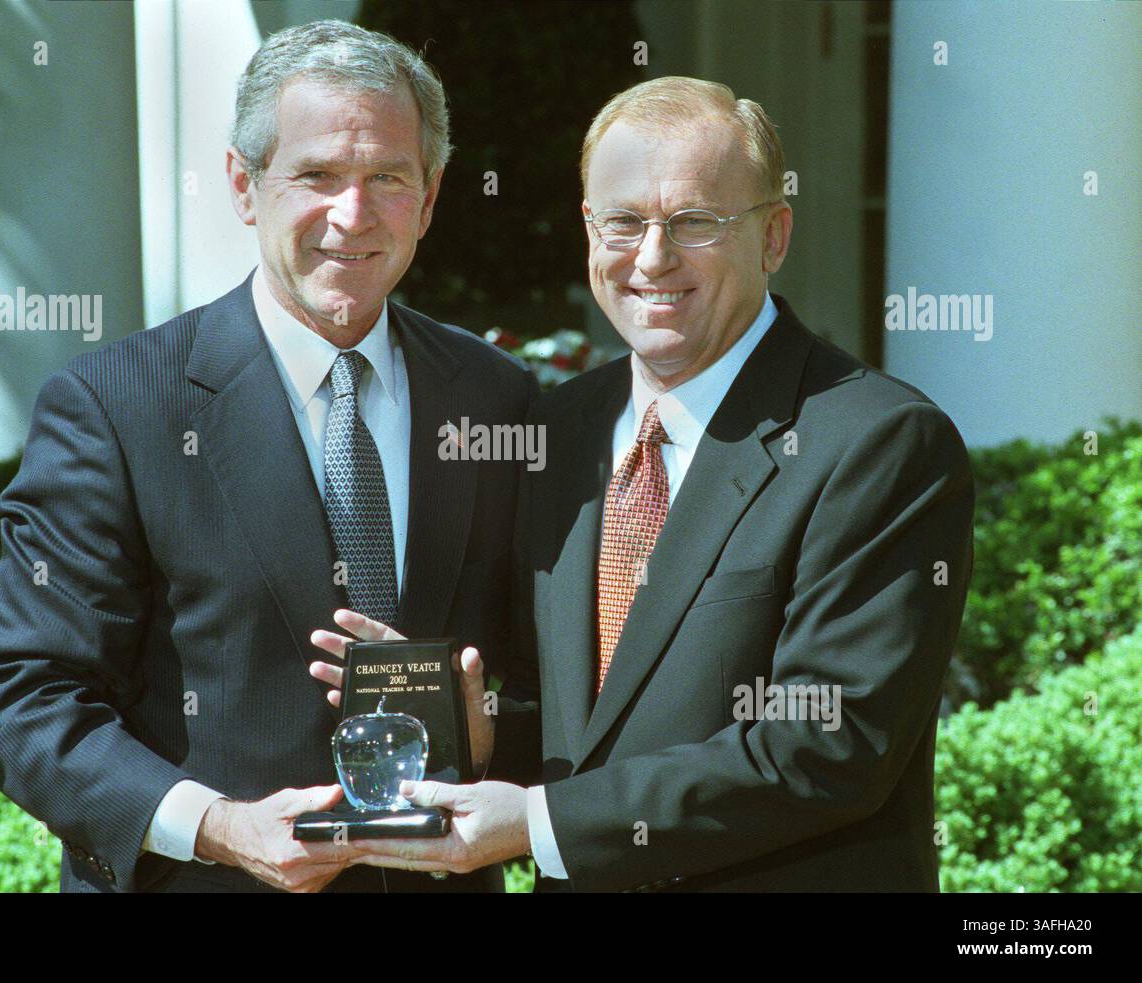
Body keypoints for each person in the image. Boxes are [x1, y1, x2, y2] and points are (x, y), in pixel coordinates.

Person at [310, 77, 975, 892]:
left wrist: (540, 823)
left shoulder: (878, 442)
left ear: (774, 236)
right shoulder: (558, 434)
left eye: (694, 222)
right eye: (623, 222)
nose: (652, 258)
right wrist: (467, 725)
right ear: (590, 230)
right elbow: (583, 729)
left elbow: (829, 747)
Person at [0, 20, 535, 893]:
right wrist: (221, 826)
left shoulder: (497, 399)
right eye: (316, 175)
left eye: (387, 176)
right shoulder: (117, 408)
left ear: (429, 198)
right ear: (244, 182)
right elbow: (25, 701)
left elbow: (562, 680)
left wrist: (488, 728)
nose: (353, 214)